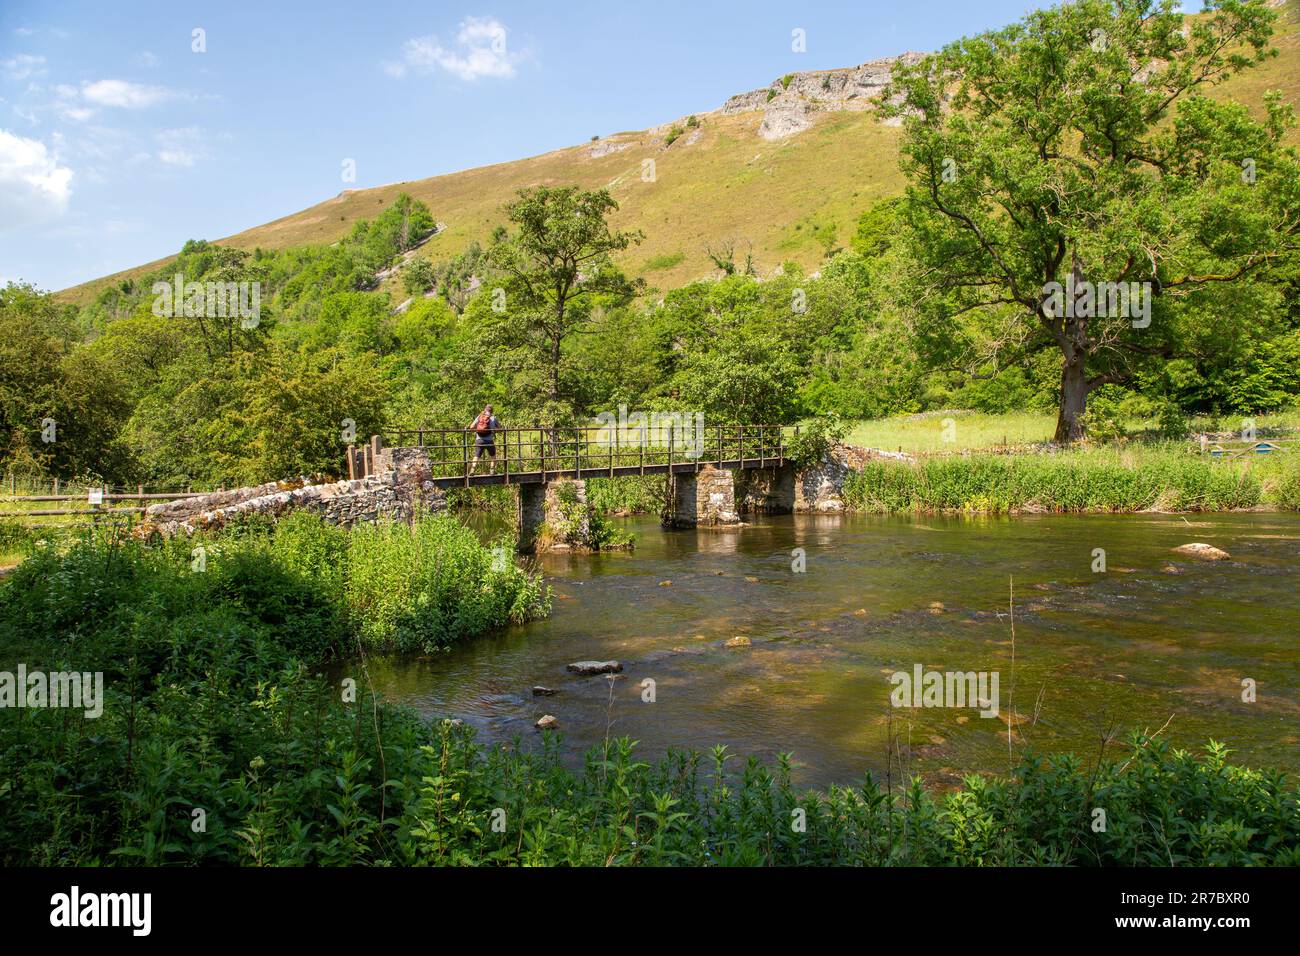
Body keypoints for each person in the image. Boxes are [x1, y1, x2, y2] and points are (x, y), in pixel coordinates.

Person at [468, 404, 501, 475]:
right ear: (492, 411)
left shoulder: (479, 416)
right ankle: (492, 471)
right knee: (493, 455)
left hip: (479, 440)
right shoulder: (493, 418)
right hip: (489, 440)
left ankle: (472, 470)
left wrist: (478, 429)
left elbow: (471, 427)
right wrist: (493, 429)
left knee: (476, 456)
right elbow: (500, 429)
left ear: (485, 409)